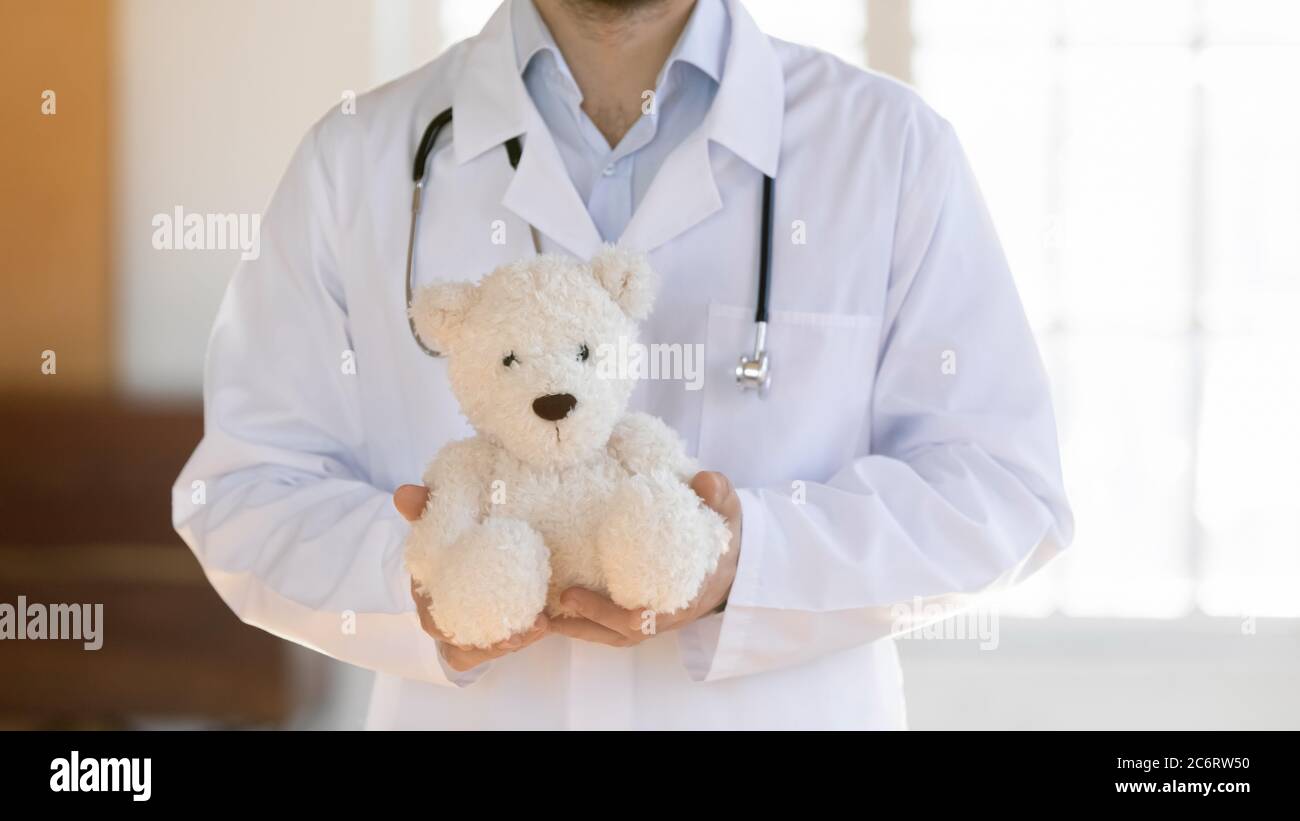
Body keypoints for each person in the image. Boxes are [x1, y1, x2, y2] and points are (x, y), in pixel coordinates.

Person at [172, 0, 1073, 729]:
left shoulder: (890, 148)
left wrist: (746, 561)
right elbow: (244, 496)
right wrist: (426, 578)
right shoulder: (356, 160)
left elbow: (1003, 491)